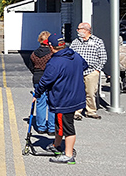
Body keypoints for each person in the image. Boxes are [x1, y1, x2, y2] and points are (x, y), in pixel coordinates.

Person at [33, 33, 88, 164]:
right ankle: (56, 145)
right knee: (60, 124)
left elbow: (45, 81)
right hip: (75, 95)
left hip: (63, 99)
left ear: (51, 46)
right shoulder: (74, 55)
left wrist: (37, 94)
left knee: (67, 126)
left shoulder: (55, 62)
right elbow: (85, 66)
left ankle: (68, 155)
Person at [70, 22, 107, 119]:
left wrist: (97, 70)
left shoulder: (97, 41)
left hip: (91, 72)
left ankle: (90, 111)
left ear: (85, 30)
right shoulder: (75, 42)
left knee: (90, 92)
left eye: (79, 29)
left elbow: (103, 57)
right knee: (77, 92)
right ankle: (77, 112)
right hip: (77, 71)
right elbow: (70, 54)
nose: (77, 31)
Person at [30, 31, 55, 135]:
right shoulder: (51, 54)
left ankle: (41, 127)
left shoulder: (33, 54)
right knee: (51, 103)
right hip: (50, 79)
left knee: (40, 103)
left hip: (37, 78)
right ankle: (52, 128)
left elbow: (31, 67)